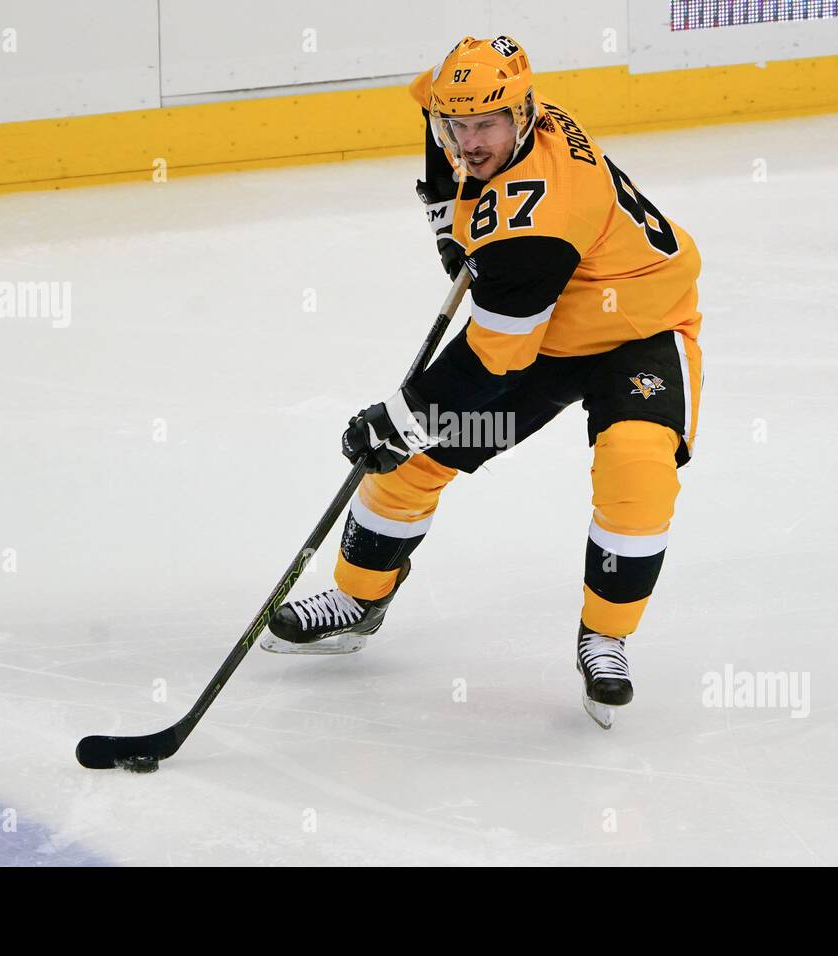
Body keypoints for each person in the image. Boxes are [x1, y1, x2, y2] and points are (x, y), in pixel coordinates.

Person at [266, 35, 704, 727]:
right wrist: (448, 221)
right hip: (548, 337)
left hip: (639, 327)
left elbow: (494, 358)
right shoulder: (496, 113)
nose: (470, 143)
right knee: (416, 462)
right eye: (458, 126)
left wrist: (397, 414)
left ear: (524, 115)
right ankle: (358, 598)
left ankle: (606, 637)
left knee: (637, 466)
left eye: (485, 126)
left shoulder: (540, 226)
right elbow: (430, 112)